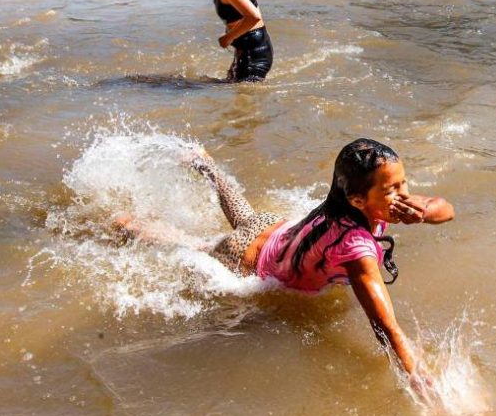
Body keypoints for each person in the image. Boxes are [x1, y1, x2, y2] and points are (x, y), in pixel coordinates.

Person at [117, 138, 454, 385]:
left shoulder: (361, 202)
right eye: (392, 189)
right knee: (189, 244)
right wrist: (418, 379)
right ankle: (129, 226)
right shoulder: (353, 247)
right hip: (242, 258)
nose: (403, 195)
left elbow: (445, 208)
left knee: (246, 216)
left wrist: (422, 213)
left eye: (403, 183)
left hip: (272, 228)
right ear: (357, 199)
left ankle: (206, 165)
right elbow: (386, 326)